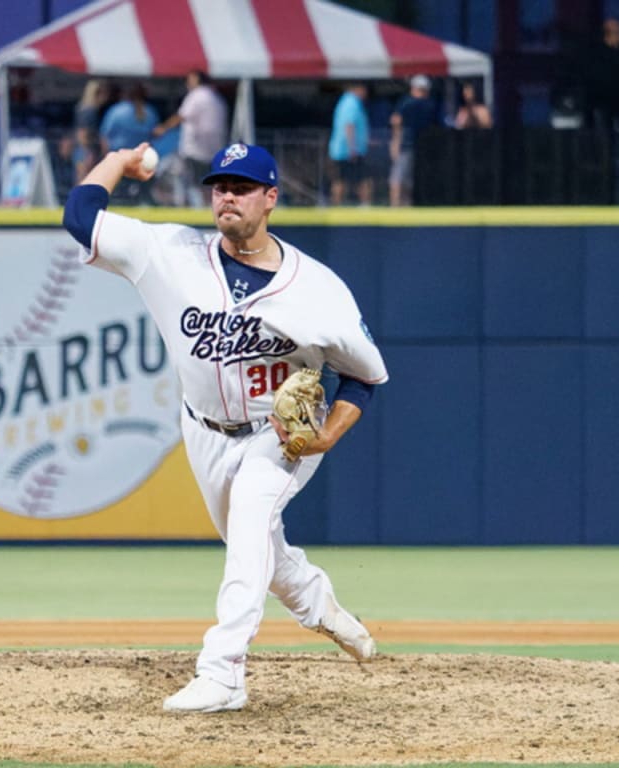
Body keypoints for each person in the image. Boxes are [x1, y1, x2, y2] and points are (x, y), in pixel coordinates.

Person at [61, 141, 385, 712]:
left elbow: (363, 378)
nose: (227, 196)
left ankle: (224, 672)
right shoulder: (170, 251)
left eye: (240, 187)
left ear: (271, 198)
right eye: (219, 187)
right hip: (203, 429)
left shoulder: (320, 290)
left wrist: (328, 435)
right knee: (255, 544)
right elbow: (79, 216)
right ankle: (319, 604)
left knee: (254, 514)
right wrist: (121, 161)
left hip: (278, 433)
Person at [153, 71, 227, 207]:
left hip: (195, 149)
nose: (187, 83)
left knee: (190, 182)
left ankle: (192, 206)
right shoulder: (216, 98)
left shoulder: (196, 96)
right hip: (214, 149)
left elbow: (182, 116)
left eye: (190, 80)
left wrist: (162, 128)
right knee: (207, 182)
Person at [99, 83, 160, 204]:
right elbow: (154, 136)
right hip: (142, 161)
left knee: (119, 197)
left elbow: (104, 137)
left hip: (121, 162)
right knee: (142, 195)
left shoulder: (116, 111)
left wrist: (106, 159)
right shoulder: (150, 112)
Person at [388, 74, 440, 207]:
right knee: (408, 178)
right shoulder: (430, 104)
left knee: (399, 177)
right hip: (421, 146)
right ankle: (406, 205)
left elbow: (396, 121)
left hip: (407, 145)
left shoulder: (406, 103)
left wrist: (395, 143)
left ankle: (397, 205)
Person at [328, 83, 372, 206]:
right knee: (359, 178)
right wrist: (352, 147)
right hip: (349, 150)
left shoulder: (344, 102)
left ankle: (337, 204)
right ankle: (364, 204)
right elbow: (349, 125)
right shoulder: (352, 103)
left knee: (341, 178)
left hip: (342, 149)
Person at [72, 79, 113, 180]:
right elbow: (82, 134)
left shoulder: (85, 109)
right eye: (104, 94)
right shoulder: (88, 111)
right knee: (84, 181)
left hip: (84, 151)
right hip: (85, 151)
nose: (106, 97)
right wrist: (87, 153)